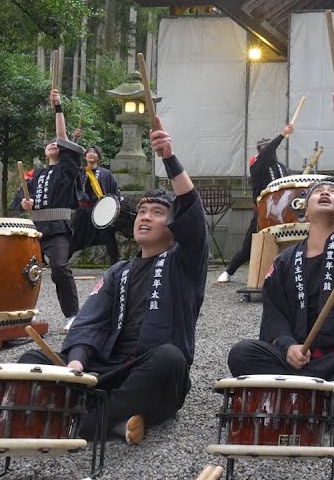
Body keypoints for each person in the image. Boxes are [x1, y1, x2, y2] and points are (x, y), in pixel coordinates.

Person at [18, 116, 208, 444]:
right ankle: (111, 418)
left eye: (158, 213)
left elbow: (192, 210)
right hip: (103, 369)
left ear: (175, 228)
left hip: (147, 371)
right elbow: (91, 319)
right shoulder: (117, 272)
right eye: (143, 212)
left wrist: (168, 158)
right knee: (31, 359)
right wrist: (77, 358)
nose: (146, 217)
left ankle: (82, 420)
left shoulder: (183, 262)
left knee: (170, 359)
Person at [227, 91, 334, 424]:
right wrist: (289, 346)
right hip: (297, 363)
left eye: (333, 191)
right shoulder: (285, 261)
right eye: (316, 192)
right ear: (303, 212)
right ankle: (332, 405)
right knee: (242, 353)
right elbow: (274, 316)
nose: (324, 192)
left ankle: (296, 403)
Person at [21, 91, 86, 331]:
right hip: (33, 229)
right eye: (49, 143)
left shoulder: (67, 168)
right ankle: (20, 314)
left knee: (59, 267)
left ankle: (73, 315)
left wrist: (58, 107)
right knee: (22, 271)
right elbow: (22, 197)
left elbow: (62, 136)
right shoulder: (35, 173)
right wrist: (24, 204)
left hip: (58, 228)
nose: (53, 144)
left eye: (57, 144)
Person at [216, 124, 293, 284]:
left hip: (283, 213)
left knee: (287, 244)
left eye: (268, 148)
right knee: (248, 247)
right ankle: (229, 272)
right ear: (260, 152)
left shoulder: (281, 167)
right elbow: (267, 154)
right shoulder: (256, 166)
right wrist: (281, 135)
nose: (268, 151)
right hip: (263, 213)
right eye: (264, 149)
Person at [71, 145, 121, 262]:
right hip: (83, 209)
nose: (91, 154)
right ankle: (63, 261)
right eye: (89, 152)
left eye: (94, 152)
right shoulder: (80, 172)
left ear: (98, 157)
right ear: (85, 156)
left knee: (108, 236)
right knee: (74, 235)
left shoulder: (106, 173)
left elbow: (114, 190)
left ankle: (115, 262)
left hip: (101, 210)